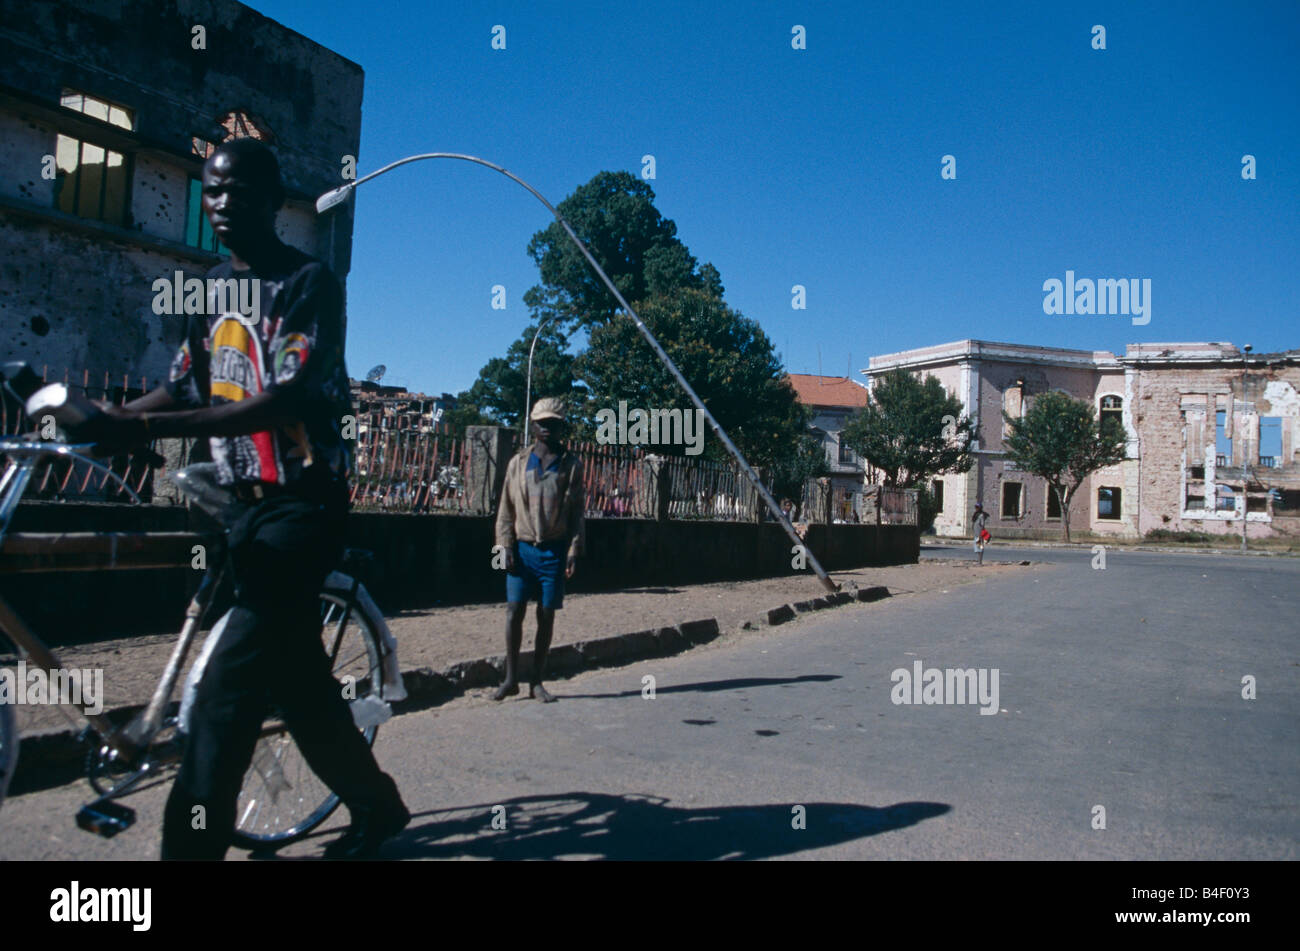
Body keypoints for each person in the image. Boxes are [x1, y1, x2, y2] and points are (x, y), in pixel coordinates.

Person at [87, 138, 409, 860]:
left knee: (221, 702)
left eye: (236, 190)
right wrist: (110, 421)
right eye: (210, 191)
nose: (221, 203)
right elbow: (184, 386)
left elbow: (284, 395)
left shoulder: (309, 283)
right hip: (234, 508)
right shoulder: (207, 288)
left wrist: (149, 426)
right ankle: (379, 808)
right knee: (298, 685)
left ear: (272, 199)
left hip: (299, 511)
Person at [492, 398, 583, 703]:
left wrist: (573, 551)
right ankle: (510, 679)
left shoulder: (571, 465)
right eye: (541, 423)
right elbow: (505, 510)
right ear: (533, 426)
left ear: (561, 427)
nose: (547, 428)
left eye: (553, 423)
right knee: (513, 611)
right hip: (521, 549)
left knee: (545, 614)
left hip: (553, 552)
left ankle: (537, 681)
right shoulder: (517, 463)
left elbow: (577, 515)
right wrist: (503, 548)